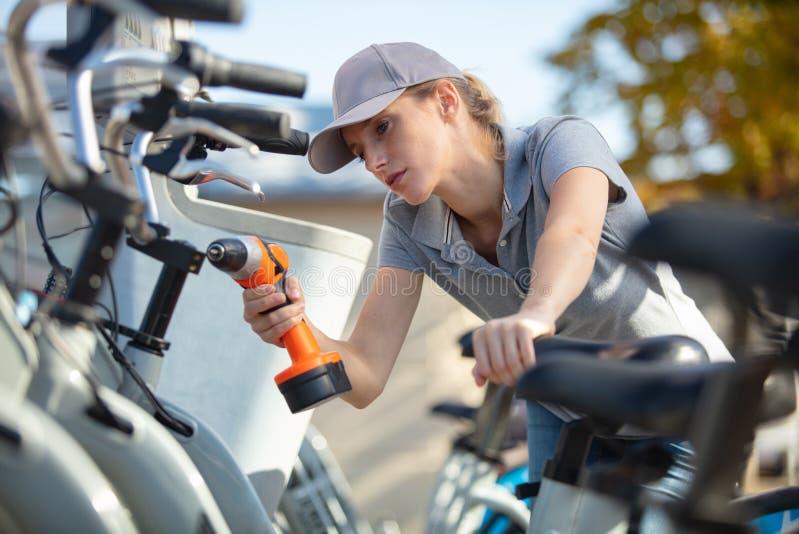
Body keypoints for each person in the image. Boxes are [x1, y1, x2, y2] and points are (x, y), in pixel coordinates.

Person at [241, 41, 730, 503]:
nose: (373, 159)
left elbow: (572, 234)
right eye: (359, 149)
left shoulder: (559, 145)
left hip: (681, 402)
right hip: (569, 413)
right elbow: (366, 374)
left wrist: (534, 315)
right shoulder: (407, 221)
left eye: (383, 128)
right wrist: (295, 328)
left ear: (446, 101)